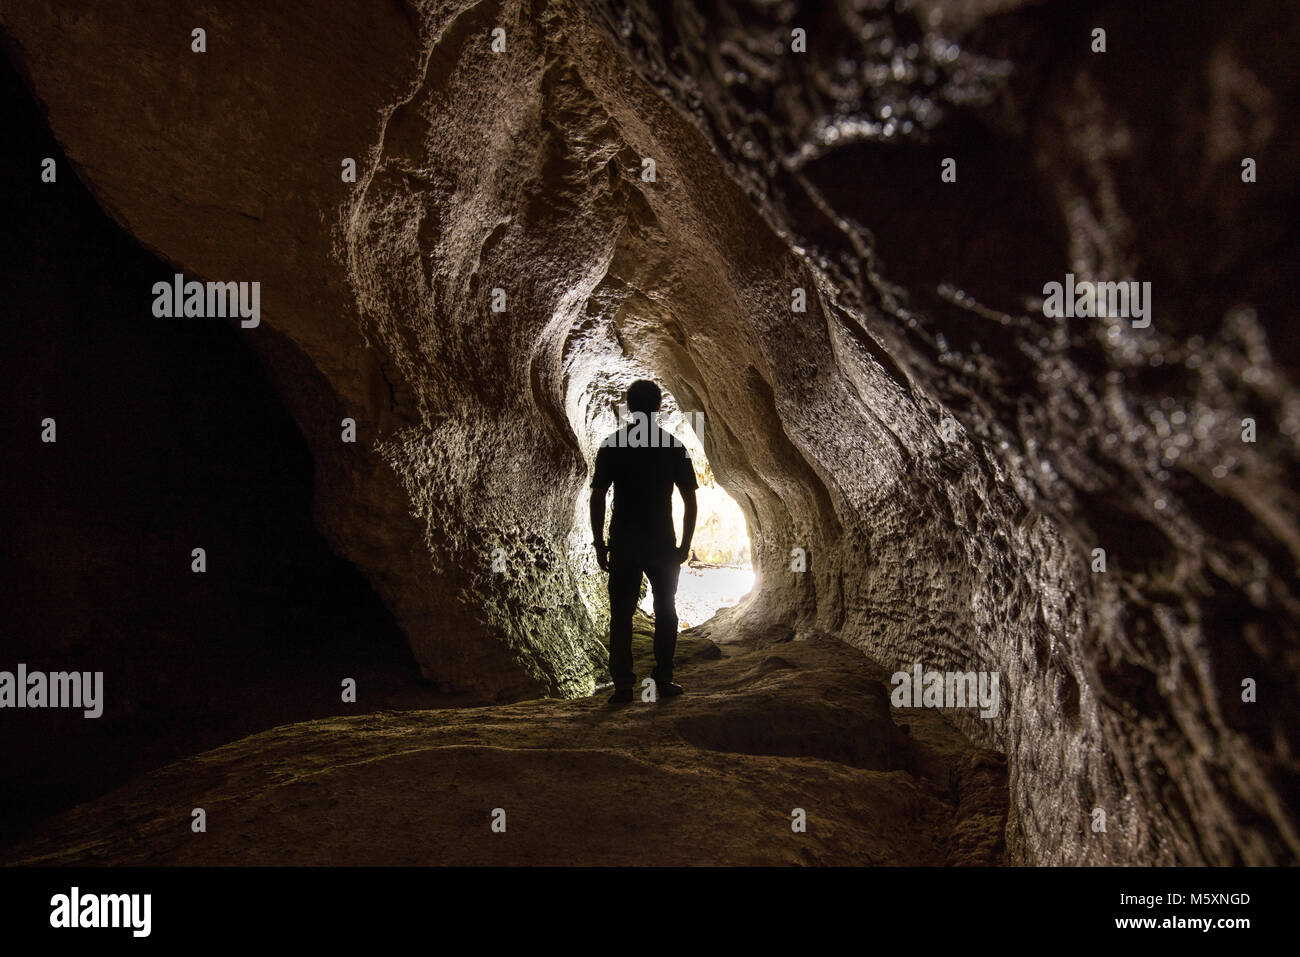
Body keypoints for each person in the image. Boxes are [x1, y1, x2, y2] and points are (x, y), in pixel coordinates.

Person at [589, 380, 697, 704]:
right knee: (666, 610)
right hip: (662, 543)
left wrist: (599, 543)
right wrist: (684, 546)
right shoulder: (673, 447)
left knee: (621, 614)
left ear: (629, 406)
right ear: (658, 407)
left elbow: (598, 496)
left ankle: (623, 686)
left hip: (624, 540)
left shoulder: (613, 445)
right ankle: (663, 679)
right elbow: (690, 501)